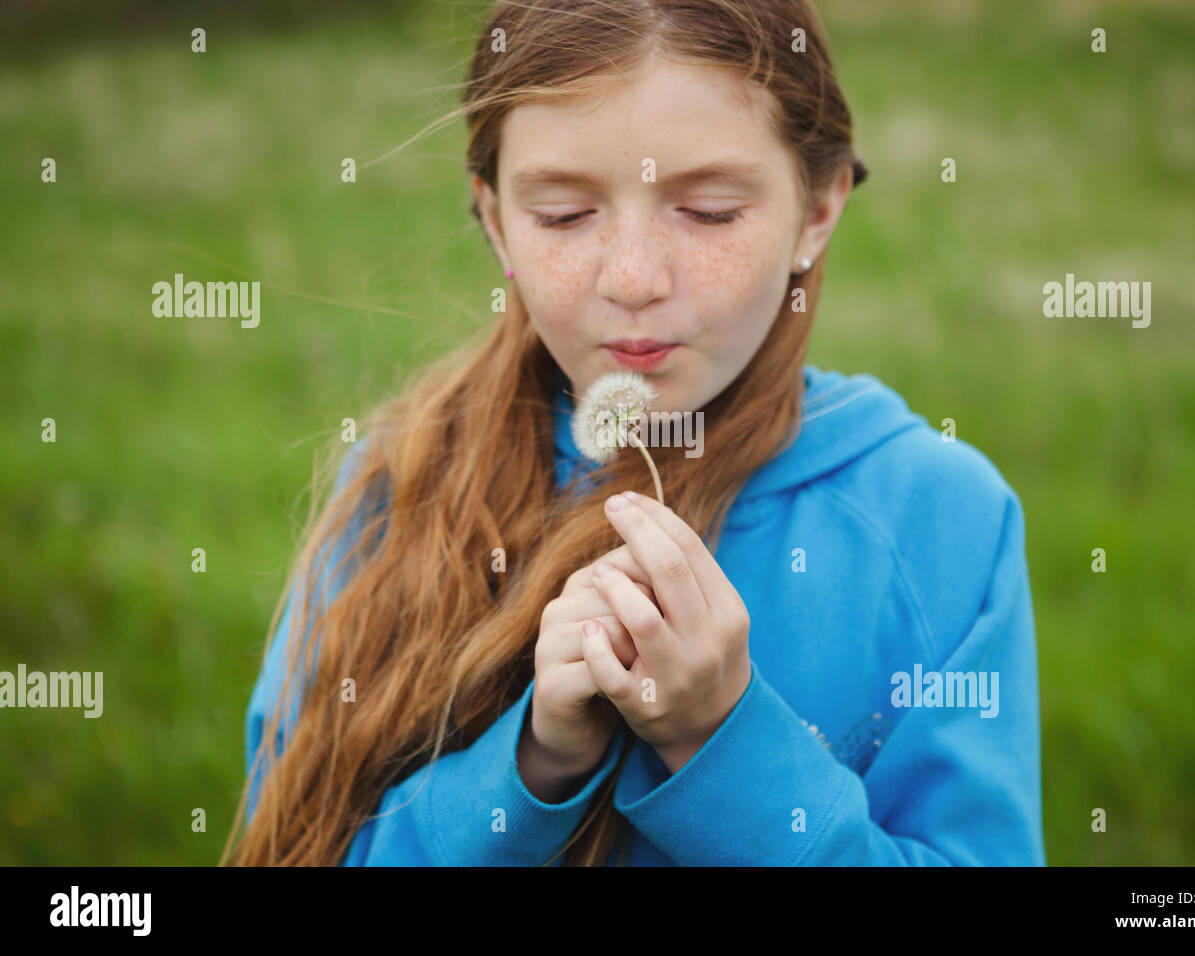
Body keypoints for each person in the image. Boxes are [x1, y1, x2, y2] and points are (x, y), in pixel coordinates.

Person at [224, 0, 1045, 866]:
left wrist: (719, 744)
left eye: (712, 210)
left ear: (817, 209)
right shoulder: (400, 493)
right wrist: (534, 765)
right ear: (496, 220)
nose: (633, 279)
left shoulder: (941, 518)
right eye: (565, 216)